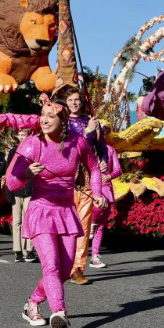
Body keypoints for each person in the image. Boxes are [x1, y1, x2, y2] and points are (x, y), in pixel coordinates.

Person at [6, 97, 105, 328]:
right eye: (42, 115)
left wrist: (97, 192)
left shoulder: (78, 143)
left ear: (63, 120)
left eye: (51, 116)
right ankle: (59, 312)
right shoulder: (32, 144)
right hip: (40, 211)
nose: (44, 120)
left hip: (66, 211)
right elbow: (11, 183)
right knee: (51, 265)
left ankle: (32, 302)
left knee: (65, 269)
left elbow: (93, 168)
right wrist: (27, 173)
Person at [61, 87, 107, 286]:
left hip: (87, 181)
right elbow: (67, 148)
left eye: (77, 99)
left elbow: (101, 148)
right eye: (70, 100)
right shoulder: (62, 122)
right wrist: (87, 132)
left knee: (83, 227)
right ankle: (62, 263)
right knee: (64, 227)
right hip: (65, 181)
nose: (74, 103)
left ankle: (77, 268)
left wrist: (104, 161)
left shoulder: (92, 121)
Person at [89, 142, 121, 268]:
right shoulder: (85, 146)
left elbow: (118, 170)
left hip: (106, 190)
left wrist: (108, 176)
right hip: (88, 190)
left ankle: (95, 256)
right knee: (84, 225)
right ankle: (74, 260)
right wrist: (94, 168)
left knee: (100, 226)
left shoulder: (110, 149)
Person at [6, 129, 36, 263]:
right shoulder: (13, 152)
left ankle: (29, 250)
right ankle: (18, 250)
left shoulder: (34, 150)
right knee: (17, 221)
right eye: (21, 134)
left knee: (29, 221)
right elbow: (8, 172)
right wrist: (9, 192)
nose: (22, 137)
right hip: (16, 190)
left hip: (29, 190)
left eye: (25, 135)